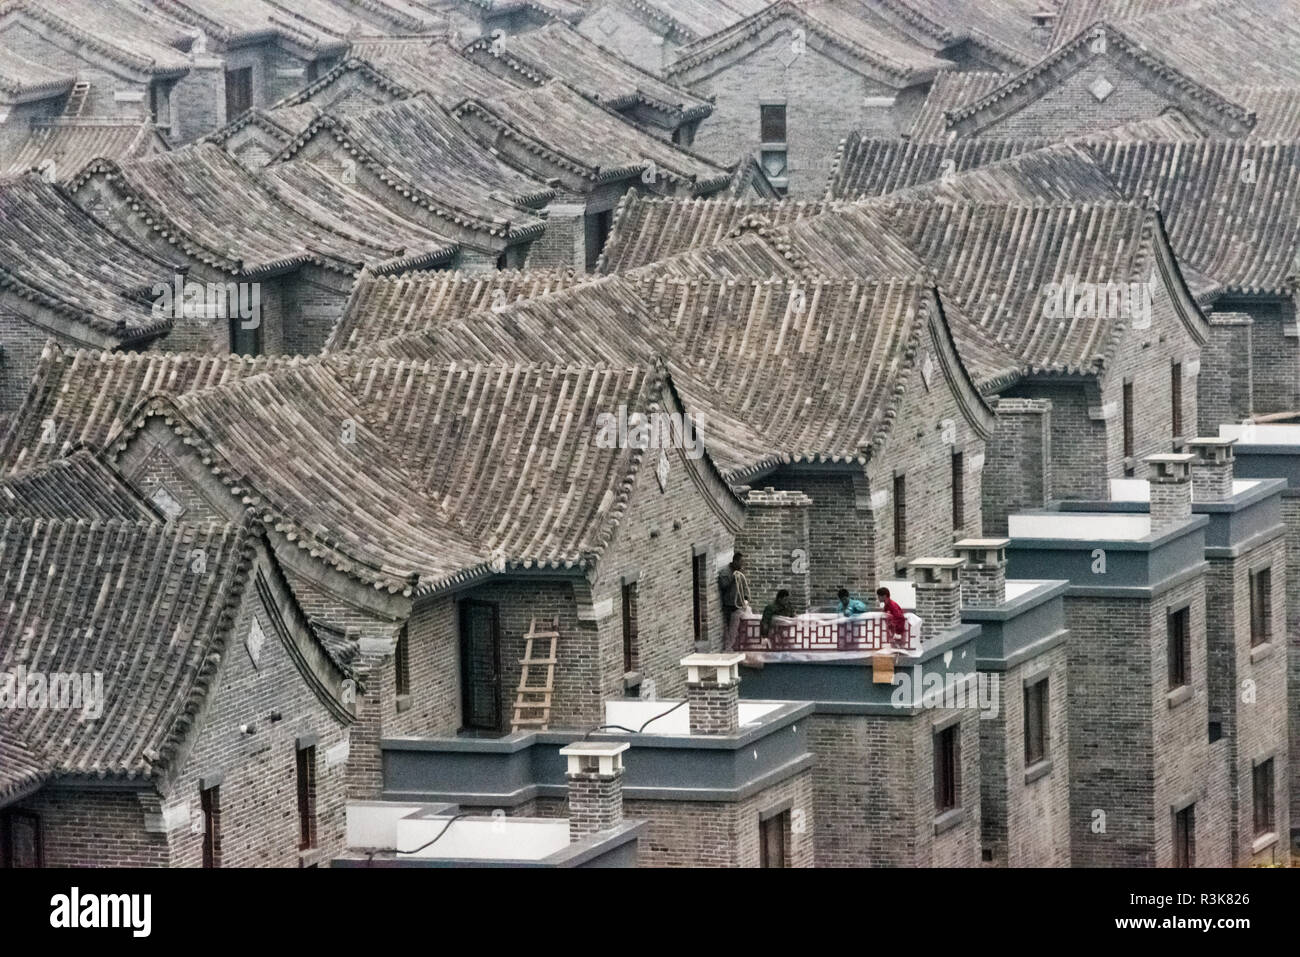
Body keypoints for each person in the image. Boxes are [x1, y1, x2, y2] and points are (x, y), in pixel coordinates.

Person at [718, 552, 751, 650]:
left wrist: (744, 597)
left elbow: (741, 586)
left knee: (740, 626)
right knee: (730, 628)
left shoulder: (739, 572)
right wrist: (733, 578)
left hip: (738, 605)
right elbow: (723, 586)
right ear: (735, 561)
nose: (742, 565)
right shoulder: (726, 572)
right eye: (741, 562)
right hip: (730, 605)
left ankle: (737, 645)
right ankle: (729, 647)